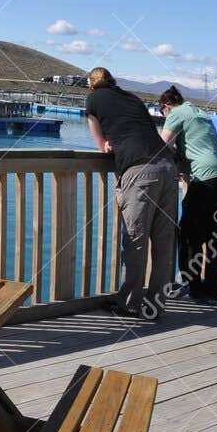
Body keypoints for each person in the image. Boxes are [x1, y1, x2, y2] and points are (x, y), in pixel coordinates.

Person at [85, 66, 178, 320]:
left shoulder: (93, 99)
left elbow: (102, 145)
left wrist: (108, 144)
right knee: (163, 243)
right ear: (113, 82)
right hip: (168, 168)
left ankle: (129, 304)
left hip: (140, 172)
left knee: (136, 241)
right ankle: (156, 306)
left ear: (91, 86)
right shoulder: (132, 98)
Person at [158, 85, 217, 305]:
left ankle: (193, 288)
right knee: (216, 236)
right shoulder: (199, 112)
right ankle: (211, 292)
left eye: (163, 112)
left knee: (189, 236)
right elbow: (198, 147)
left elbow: (162, 144)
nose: (164, 116)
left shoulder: (176, 113)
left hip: (206, 181)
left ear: (166, 106)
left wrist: (172, 158)